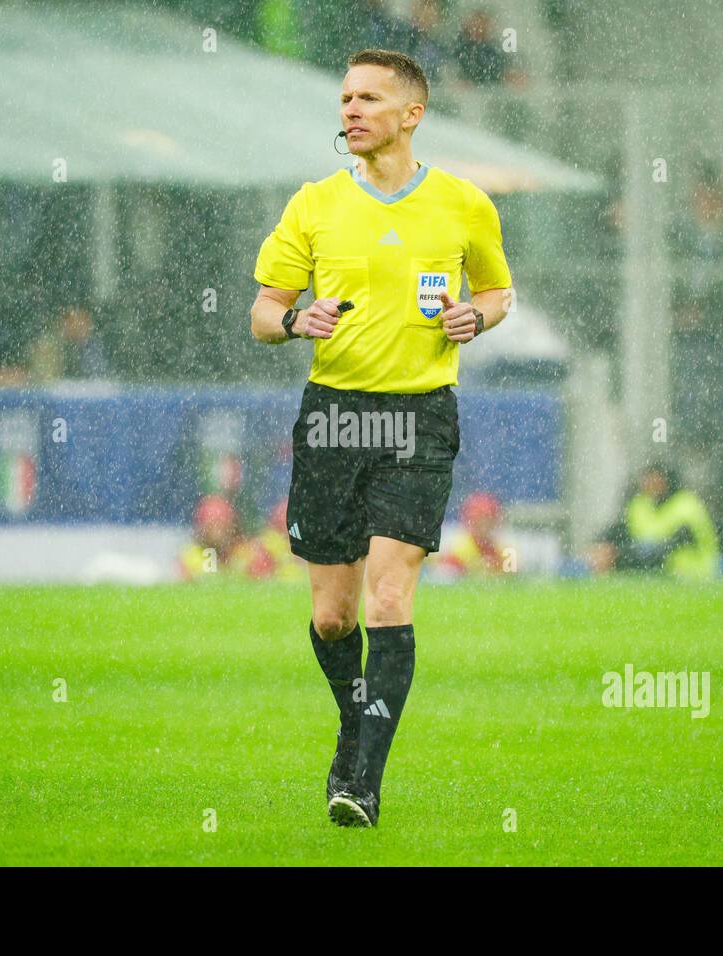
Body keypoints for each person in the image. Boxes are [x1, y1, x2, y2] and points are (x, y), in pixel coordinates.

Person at [249, 48, 512, 827]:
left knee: (391, 593)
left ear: (412, 114)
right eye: (345, 98)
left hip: (419, 417)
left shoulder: (464, 204)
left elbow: (496, 292)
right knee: (334, 615)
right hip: (334, 417)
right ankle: (352, 721)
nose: (351, 110)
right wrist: (296, 320)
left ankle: (362, 778)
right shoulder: (315, 204)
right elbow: (263, 312)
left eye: (368, 98)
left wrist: (478, 316)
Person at [587, 464, 720, 580]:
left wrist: (618, 558)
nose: (649, 484)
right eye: (647, 479)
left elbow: (668, 548)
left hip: (693, 578)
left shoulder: (686, 505)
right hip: (659, 579)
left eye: (654, 479)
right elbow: (620, 530)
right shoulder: (640, 504)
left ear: (666, 480)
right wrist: (602, 544)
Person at [438, 491, 508, 576]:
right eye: (481, 521)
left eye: (490, 521)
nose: (485, 526)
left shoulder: (500, 549)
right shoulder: (458, 551)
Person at [177, 495, 243, 580]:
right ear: (202, 529)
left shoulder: (242, 555)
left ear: (232, 528)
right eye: (211, 526)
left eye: (222, 525)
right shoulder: (190, 560)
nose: (218, 533)